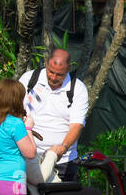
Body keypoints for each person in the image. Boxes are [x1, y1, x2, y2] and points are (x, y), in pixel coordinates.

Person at [19, 48, 89, 182]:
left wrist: (62, 149)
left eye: (59, 74)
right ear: (46, 63)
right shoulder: (28, 79)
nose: (53, 77)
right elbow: (15, 112)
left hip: (63, 162)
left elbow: (76, 126)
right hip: (29, 158)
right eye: (50, 72)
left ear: (69, 69)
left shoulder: (78, 89)